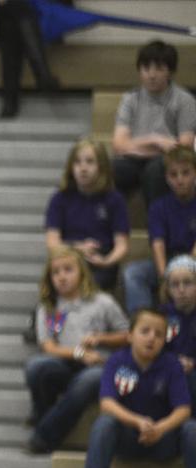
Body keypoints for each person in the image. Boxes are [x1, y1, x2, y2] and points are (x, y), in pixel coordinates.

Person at [68, 307, 196, 468]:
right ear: (129, 336)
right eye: (145, 331)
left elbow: (183, 410)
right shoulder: (116, 361)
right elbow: (107, 403)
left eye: (159, 334)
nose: (151, 338)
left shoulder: (172, 365)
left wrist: (160, 429)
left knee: (191, 429)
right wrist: (138, 422)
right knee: (104, 422)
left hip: (163, 440)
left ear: (165, 340)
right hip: (128, 438)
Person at [25, 246, 129, 454]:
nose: (62, 277)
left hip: (98, 365)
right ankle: (43, 415)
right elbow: (48, 347)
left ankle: (43, 436)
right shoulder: (48, 306)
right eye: (56, 272)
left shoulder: (103, 302)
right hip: (66, 362)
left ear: (81, 272)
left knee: (88, 381)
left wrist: (101, 338)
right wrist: (79, 353)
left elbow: (128, 336)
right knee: (36, 366)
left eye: (68, 270)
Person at [112, 40, 196, 211]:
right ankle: (109, 230)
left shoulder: (184, 100)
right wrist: (155, 141)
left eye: (158, 68)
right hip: (135, 159)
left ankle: (158, 233)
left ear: (170, 72)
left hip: (167, 161)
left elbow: (184, 147)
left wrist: (137, 145)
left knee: (155, 171)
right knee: (112, 169)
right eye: (146, 68)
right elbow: (119, 144)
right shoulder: (130, 99)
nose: (151, 75)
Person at [43, 137, 129, 293]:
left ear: (101, 167)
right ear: (71, 167)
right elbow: (52, 242)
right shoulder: (60, 198)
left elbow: (121, 245)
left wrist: (106, 261)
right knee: (57, 281)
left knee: (89, 287)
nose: (83, 168)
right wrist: (77, 249)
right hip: (67, 258)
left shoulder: (114, 200)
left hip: (100, 263)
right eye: (77, 162)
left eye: (89, 162)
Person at [124, 146, 196, 315]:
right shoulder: (159, 207)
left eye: (186, 173)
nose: (180, 179)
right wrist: (165, 276)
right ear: (166, 177)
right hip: (168, 260)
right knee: (133, 273)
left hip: (193, 260)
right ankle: (144, 322)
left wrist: (186, 270)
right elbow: (158, 243)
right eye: (173, 174)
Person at [160, 255, 196, 404]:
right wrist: (173, 361)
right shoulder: (161, 316)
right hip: (168, 369)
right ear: (168, 289)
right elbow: (153, 349)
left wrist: (193, 363)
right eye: (175, 284)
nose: (181, 290)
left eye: (187, 283)